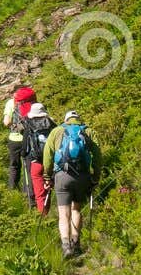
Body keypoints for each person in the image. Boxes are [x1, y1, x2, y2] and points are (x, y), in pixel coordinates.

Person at [41, 110, 101, 258]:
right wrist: (95, 177)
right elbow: (98, 156)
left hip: (62, 176)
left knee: (63, 214)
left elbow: (47, 156)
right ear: (78, 120)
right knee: (76, 210)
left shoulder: (56, 131)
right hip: (83, 176)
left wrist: (47, 177)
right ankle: (76, 243)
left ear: (66, 120)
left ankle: (66, 246)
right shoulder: (89, 131)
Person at [19, 102, 55, 215]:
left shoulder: (29, 126)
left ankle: (43, 216)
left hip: (36, 162)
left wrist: (24, 154)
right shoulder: (52, 125)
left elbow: (24, 148)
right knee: (49, 188)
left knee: (40, 192)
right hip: (51, 162)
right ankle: (48, 210)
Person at [1, 85, 34, 198]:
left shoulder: (11, 103)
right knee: (28, 166)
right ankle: (28, 192)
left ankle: (12, 190)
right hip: (29, 139)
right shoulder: (31, 101)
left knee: (14, 165)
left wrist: (14, 126)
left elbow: (6, 122)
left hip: (14, 139)